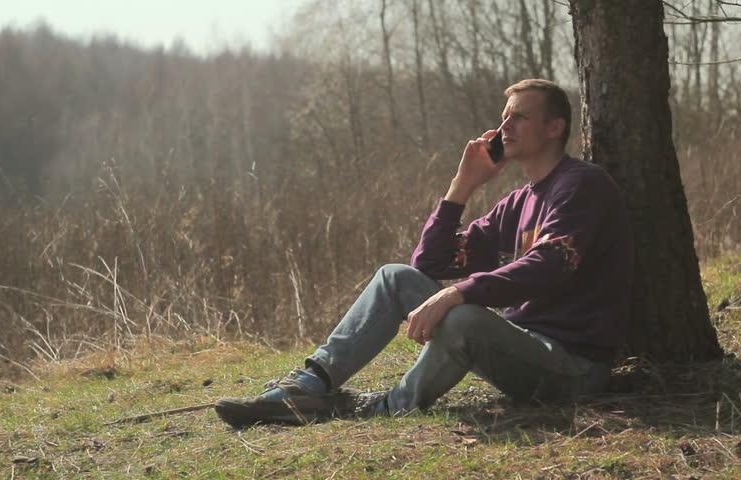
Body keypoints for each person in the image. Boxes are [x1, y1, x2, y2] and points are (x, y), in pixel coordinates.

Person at [214, 79, 634, 428]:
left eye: (520, 116)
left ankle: (386, 406)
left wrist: (457, 294)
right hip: (520, 348)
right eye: (504, 116)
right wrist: (462, 187)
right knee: (395, 276)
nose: (505, 126)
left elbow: (550, 264)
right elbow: (431, 264)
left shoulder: (582, 184)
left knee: (466, 315)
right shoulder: (517, 202)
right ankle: (309, 384)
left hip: (572, 368)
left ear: (554, 127)